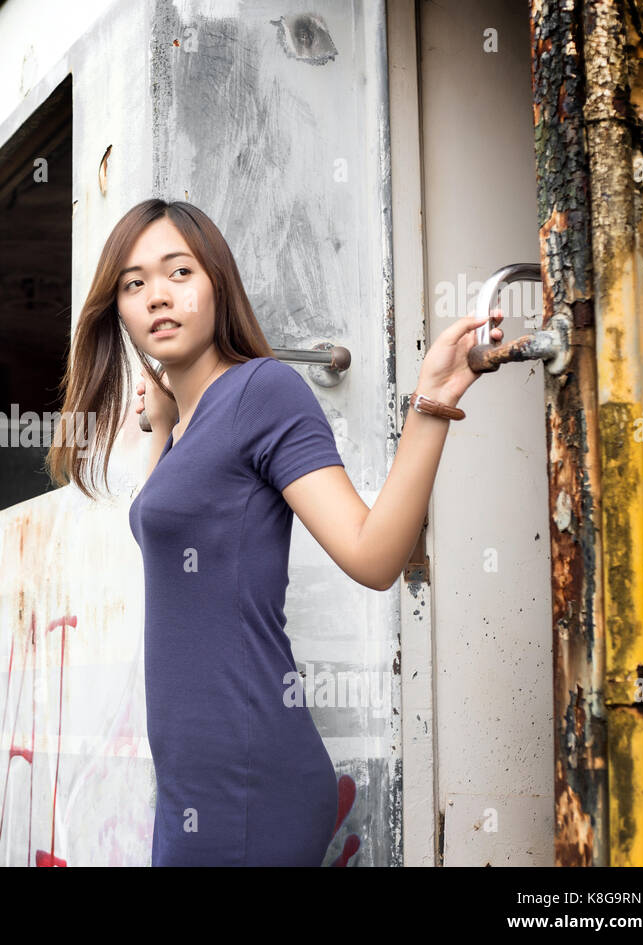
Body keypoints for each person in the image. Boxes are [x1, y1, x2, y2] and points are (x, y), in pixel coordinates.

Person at [44, 199, 504, 865]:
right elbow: (163, 526)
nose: (157, 297)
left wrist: (431, 403)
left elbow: (374, 556)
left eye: (179, 272)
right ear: (117, 308)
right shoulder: (190, 419)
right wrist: (165, 424)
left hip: (249, 780)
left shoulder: (264, 391)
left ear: (218, 285)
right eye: (134, 283)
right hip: (190, 786)